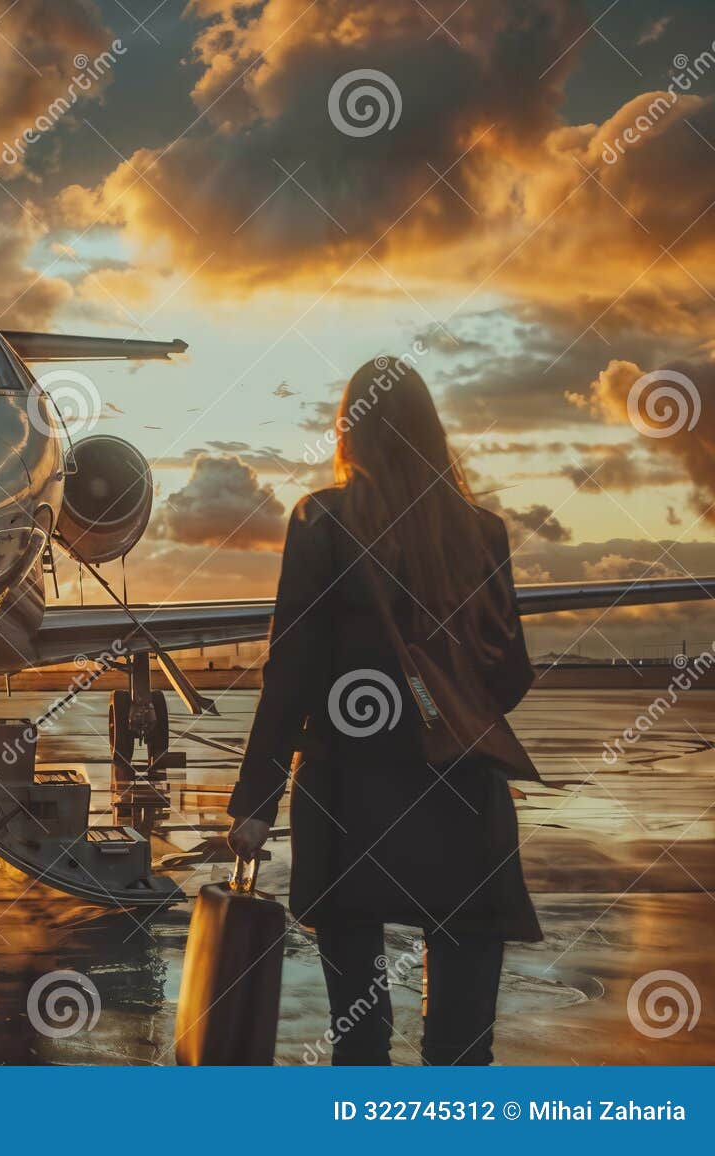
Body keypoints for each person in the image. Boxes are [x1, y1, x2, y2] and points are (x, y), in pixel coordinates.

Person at [226, 356, 541, 1066]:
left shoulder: (321, 521)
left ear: (349, 432)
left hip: (347, 801)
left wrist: (256, 800)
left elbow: (292, 672)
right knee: (462, 1050)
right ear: (431, 432)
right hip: (463, 799)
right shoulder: (482, 532)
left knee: (359, 1039)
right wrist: (441, 713)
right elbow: (510, 671)